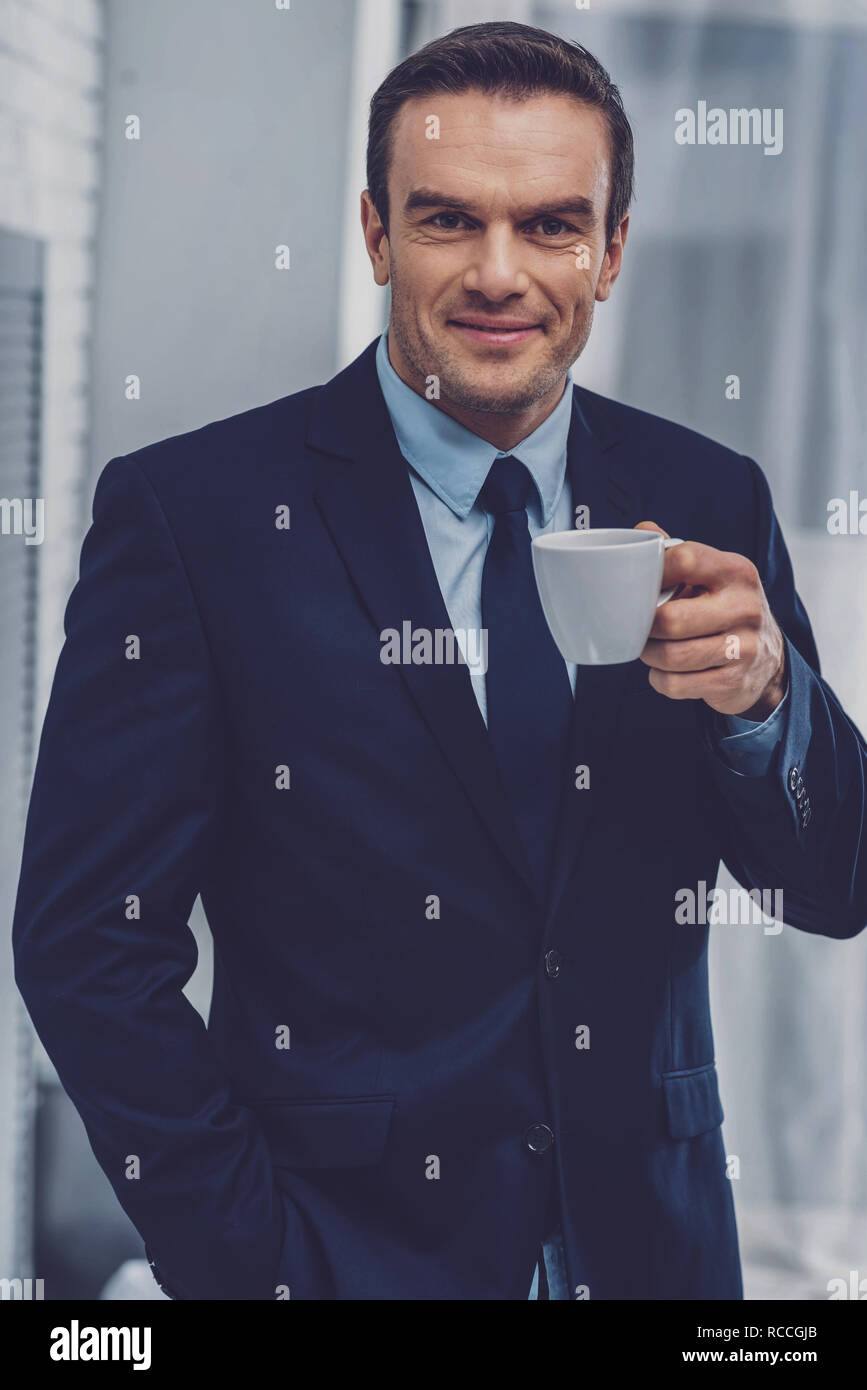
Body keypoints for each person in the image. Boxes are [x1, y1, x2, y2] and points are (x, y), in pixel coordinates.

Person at [13, 21, 867, 1301]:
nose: (501, 274)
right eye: (449, 220)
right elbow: (86, 941)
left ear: (613, 249)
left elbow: (834, 882)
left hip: (658, 1258)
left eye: (553, 225)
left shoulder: (710, 497)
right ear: (375, 234)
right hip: (342, 1260)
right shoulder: (196, 520)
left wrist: (766, 704)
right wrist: (251, 1259)